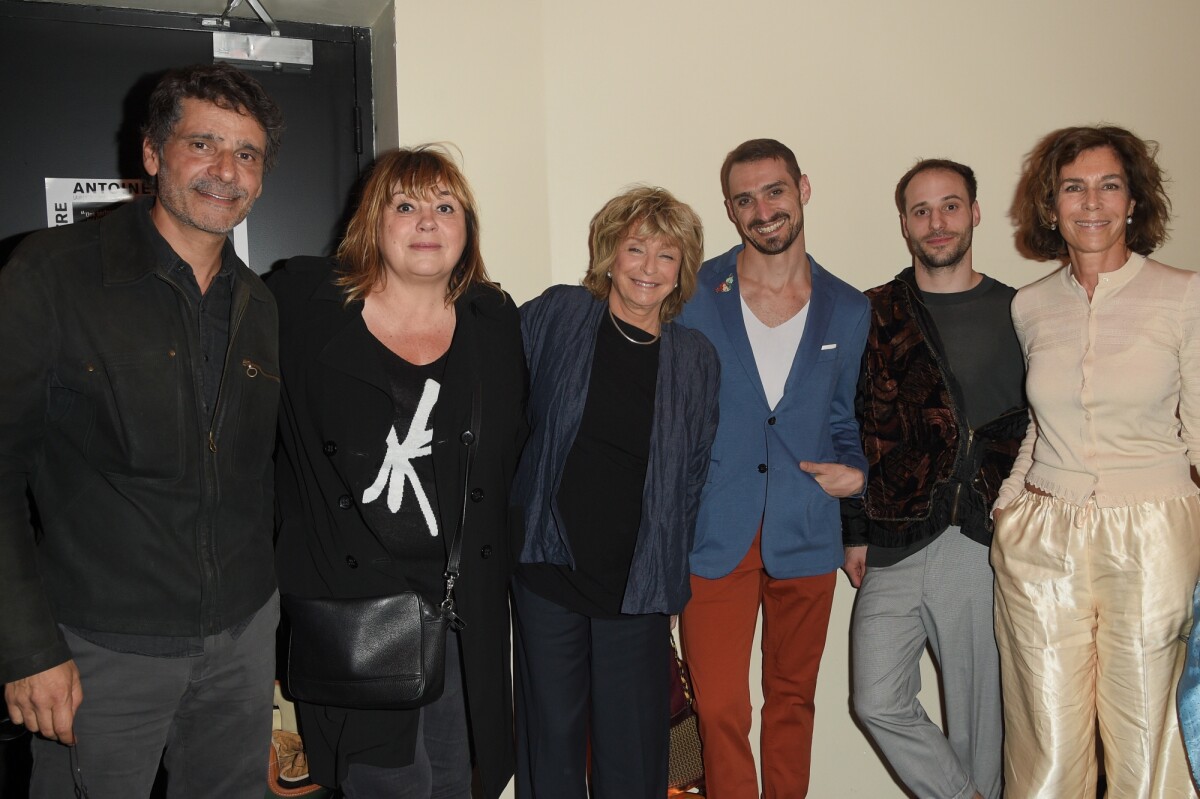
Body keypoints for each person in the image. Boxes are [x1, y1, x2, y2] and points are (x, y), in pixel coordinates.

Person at [0, 63, 284, 798]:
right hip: (98, 649)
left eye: (247, 153)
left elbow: (257, 480)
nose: (226, 170)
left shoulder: (262, 304)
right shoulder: (52, 274)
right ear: (152, 154)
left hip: (240, 642)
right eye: (204, 144)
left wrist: (265, 638)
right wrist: (27, 648)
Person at [270, 145, 526, 799]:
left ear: (466, 228)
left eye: (445, 206)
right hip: (358, 610)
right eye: (405, 205)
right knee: (384, 780)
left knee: (455, 778)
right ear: (371, 224)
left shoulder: (494, 322)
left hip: (460, 611)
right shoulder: (303, 309)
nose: (427, 221)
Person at [992, 125, 1200, 796]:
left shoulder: (1185, 294)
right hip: (1042, 535)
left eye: (1110, 185)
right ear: (1050, 206)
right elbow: (1042, 422)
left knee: (1145, 738)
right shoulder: (1030, 306)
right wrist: (1007, 507)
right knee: (1046, 744)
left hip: (1153, 534)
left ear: (1134, 200)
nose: (1092, 202)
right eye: (1073, 187)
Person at [511, 186, 720, 798]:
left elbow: (692, 475)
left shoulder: (696, 359)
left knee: (633, 759)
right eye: (636, 248)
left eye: (666, 255)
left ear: (682, 270)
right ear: (609, 254)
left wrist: (666, 560)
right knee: (550, 747)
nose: (648, 268)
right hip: (550, 569)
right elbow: (500, 397)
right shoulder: (560, 315)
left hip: (638, 584)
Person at [677, 138, 869, 798]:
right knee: (720, 706)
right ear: (729, 209)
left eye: (775, 191)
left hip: (807, 527)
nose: (763, 209)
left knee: (793, 699)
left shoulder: (848, 306)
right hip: (714, 532)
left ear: (803, 189)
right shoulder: (694, 293)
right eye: (745, 198)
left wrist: (857, 483)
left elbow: (847, 419)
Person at [842, 159, 1026, 799]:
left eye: (950, 206)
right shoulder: (873, 314)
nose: (936, 222)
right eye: (921, 211)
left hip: (980, 539)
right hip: (893, 540)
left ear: (975, 213)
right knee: (876, 699)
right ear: (903, 225)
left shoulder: (1023, 312)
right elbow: (854, 426)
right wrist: (854, 530)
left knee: (981, 724)